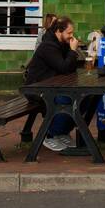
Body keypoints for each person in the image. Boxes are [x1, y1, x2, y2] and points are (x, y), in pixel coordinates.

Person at [24, 15, 82, 152]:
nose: (71, 36)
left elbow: (70, 69)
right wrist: (72, 51)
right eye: (69, 33)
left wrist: (72, 50)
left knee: (85, 98)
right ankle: (49, 135)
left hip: (52, 86)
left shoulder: (61, 44)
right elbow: (63, 67)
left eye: (72, 33)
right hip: (37, 89)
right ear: (58, 32)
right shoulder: (48, 47)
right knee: (67, 100)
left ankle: (62, 132)